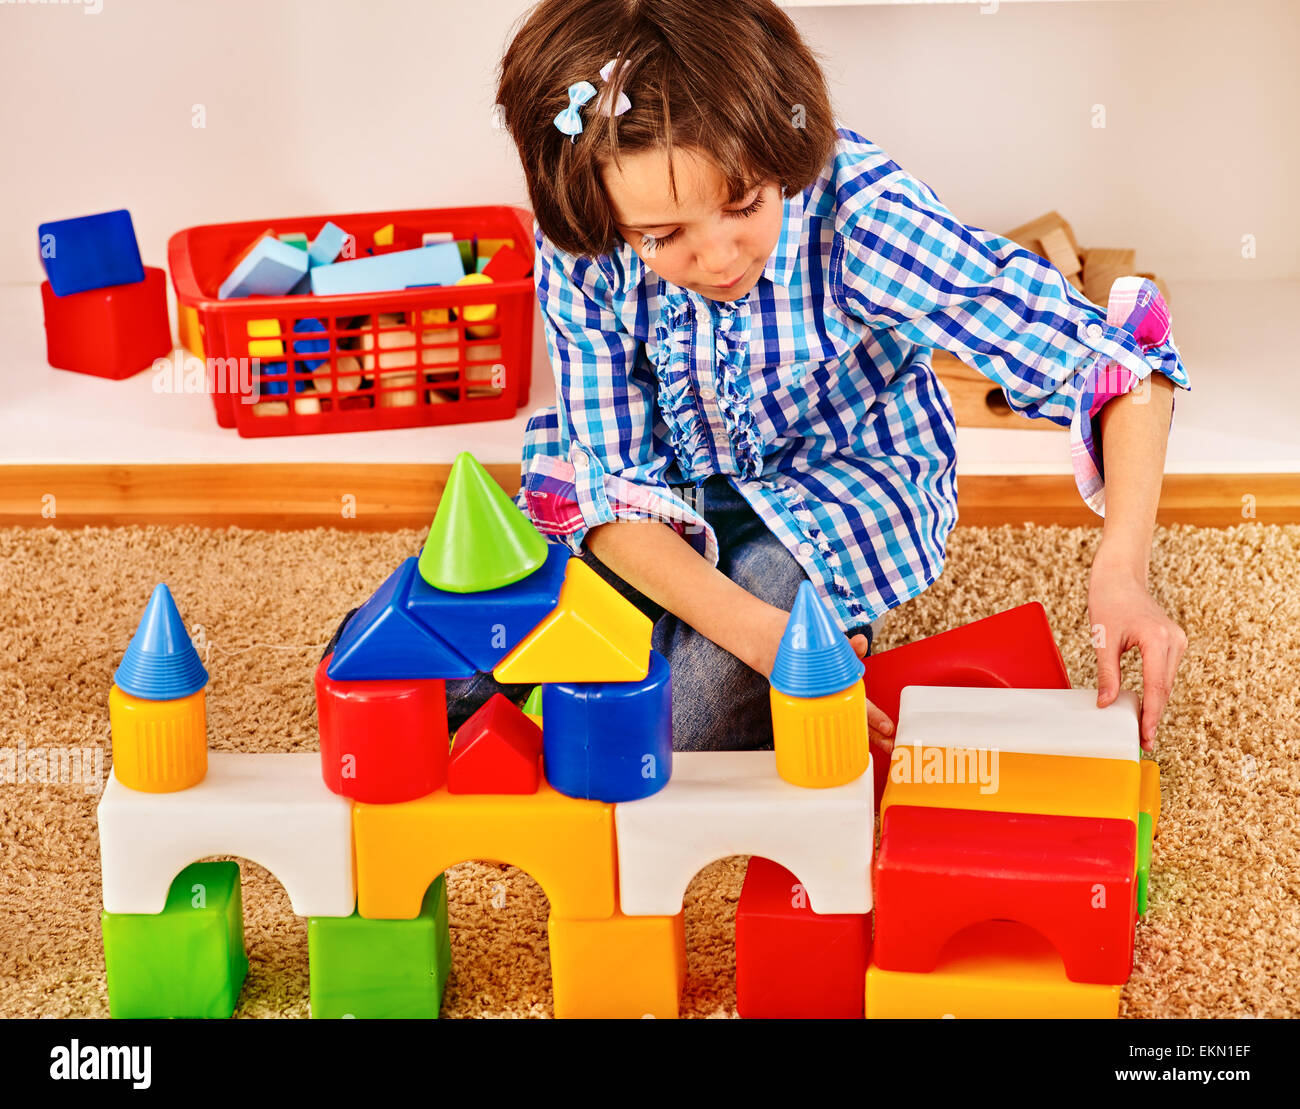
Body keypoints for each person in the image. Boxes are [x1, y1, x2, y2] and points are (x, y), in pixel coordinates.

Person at [445, 0, 1190, 759]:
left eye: (744, 204)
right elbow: (611, 487)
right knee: (446, 674)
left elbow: (1117, 366)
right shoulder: (585, 244)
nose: (722, 257)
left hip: (823, 494)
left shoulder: (862, 219)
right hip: (655, 499)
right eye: (663, 237)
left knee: (660, 740)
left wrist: (1123, 566)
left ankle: (794, 623)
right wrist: (758, 640)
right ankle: (752, 632)